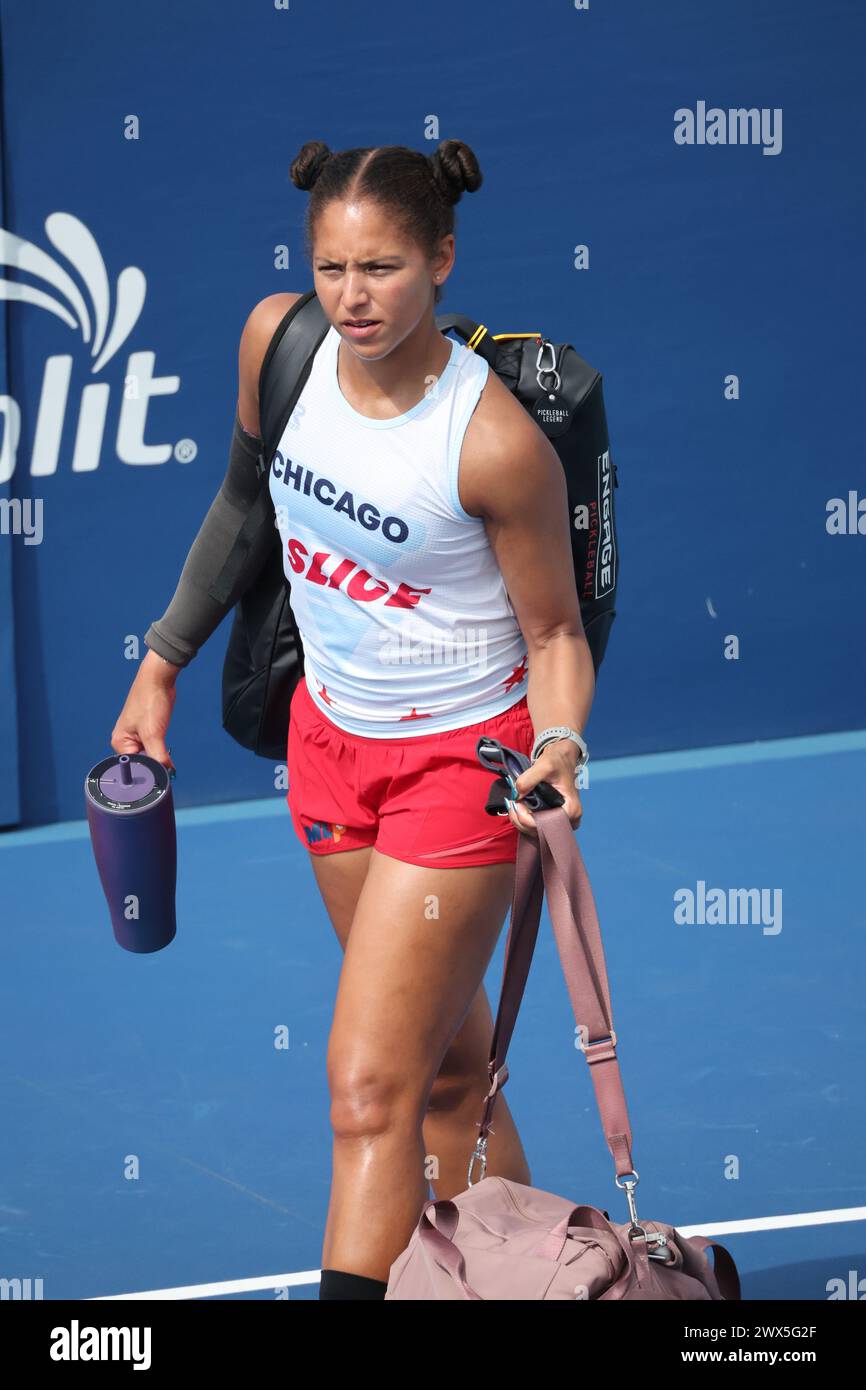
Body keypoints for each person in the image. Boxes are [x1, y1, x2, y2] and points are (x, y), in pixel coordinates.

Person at [111, 139, 595, 1300]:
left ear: (440, 258)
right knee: (448, 1075)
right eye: (330, 267)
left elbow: (556, 637)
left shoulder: (488, 444)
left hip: (457, 767)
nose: (351, 297)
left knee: (368, 1087)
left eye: (379, 268)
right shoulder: (278, 346)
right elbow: (243, 504)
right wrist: (160, 663)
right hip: (328, 749)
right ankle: (532, 1282)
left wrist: (560, 745)